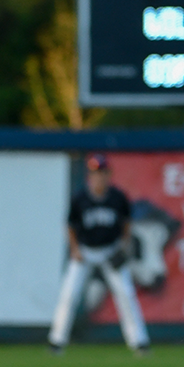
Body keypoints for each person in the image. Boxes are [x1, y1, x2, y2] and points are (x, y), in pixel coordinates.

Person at [48, 153, 150, 356]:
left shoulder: (117, 197)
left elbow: (126, 224)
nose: (99, 177)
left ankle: (139, 342)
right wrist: (75, 249)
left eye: (102, 173)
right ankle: (57, 341)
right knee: (69, 294)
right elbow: (70, 226)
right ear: (89, 175)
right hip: (85, 251)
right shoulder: (80, 198)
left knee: (126, 294)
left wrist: (123, 247)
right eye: (95, 173)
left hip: (110, 250)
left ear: (109, 174)